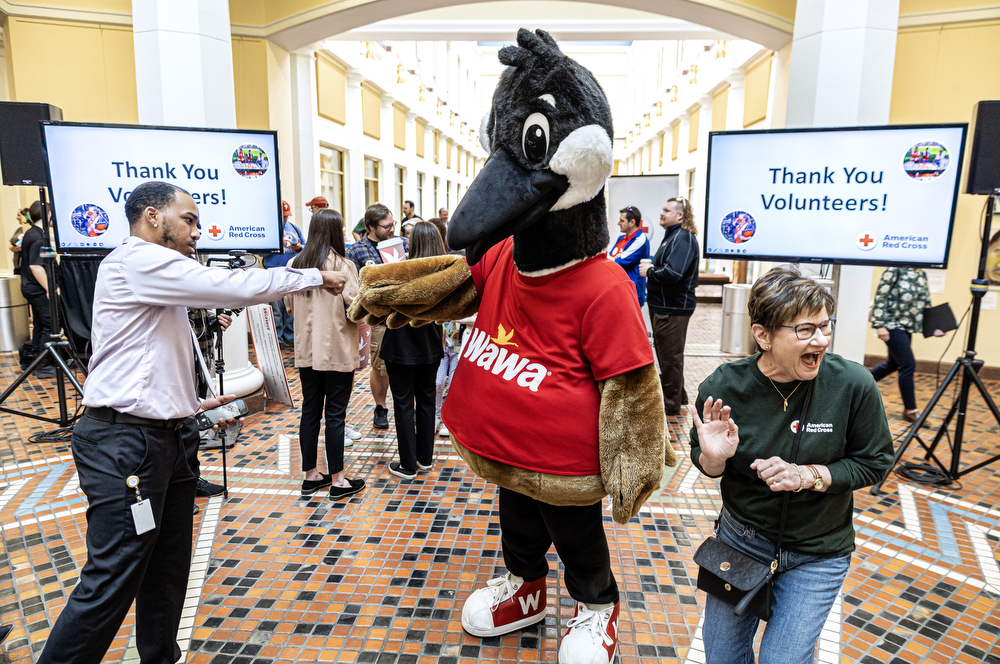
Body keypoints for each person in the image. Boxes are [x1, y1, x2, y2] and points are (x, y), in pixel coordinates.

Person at [36, 181, 345, 664]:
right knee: (113, 575)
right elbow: (235, 287)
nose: (198, 231)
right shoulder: (137, 259)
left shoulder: (157, 272)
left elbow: (153, 356)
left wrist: (195, 403)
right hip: (124, 442)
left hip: (166, 439)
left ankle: (160, 656)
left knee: (168, 563)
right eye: (189, 220)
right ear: (153, 217)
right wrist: (311, 278)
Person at [688, 267, 893, 664]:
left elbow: (875, 462)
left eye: (824, 326)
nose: (820, 339)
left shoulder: (852, 384)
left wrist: (809, 475)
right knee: (722, 659)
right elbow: (709, 465)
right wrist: (712, 460)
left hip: (818, 551)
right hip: (740, 542)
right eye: (804, 330)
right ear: (763, 335)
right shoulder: (724, 387)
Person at [285, 208, 365, 500]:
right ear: (336, 231)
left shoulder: (295, 264)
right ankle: (338, 481)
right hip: (337, 351)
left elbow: (290, 309)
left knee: (310, 411)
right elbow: (356, 312)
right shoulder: (344, 265)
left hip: (306, 350)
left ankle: (310, 476)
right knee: (335, 415)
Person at [380, 221, 445, 478]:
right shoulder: (443, 273)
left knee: (404, 403)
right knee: (427, 401)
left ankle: (407, 465)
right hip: (430, 346)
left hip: (400, 346)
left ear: (413, 242)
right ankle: (425, 458)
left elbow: (382, 306)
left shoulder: (401, 270)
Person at [346, 203, 407, 430]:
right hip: (378, 320)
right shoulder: (356, 251)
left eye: (393, 225)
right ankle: (380, 407)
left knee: (405, 364)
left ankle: (406, 407)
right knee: (381, 366)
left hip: (404, 317)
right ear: (370, 227)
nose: (391, 229)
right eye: (385, 226)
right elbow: (352, 287)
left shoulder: (402, 244)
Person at [639, 197, 699, 415]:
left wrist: (650, 271)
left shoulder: (683, 238)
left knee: (670, 358)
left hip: (672, 309)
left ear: (680, 215)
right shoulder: (673, 237)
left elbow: (674, 273)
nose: (661, 213)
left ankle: (670, 406)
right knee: (668, 355)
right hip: (663, 307)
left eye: (666, 210)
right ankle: (679, 395)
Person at [869, 267, 941, 422]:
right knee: (908, 364)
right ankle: (910, 410)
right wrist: (879, 325)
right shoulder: (894, 270)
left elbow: (926, 303)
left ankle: (858, 382)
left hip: (907, 326)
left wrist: (933, 327)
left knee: (893, 363)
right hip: (892, 324)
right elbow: (881, 297)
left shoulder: (921, 273)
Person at [19, 201, 55, 379]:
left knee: (40, 324)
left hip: (30, 287)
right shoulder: (38, 238)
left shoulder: (31, 233)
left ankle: (35, 359)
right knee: (50, 324)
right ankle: (44, 365)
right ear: (47, 214)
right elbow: (36, 266)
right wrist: (49, 288)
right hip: (38, 289)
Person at [262, 200, 303, 345]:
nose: (285, 219)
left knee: (290, 307)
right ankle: (277, 338)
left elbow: (305, 248)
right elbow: (261, 253)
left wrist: (298, 247)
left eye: (287, 216)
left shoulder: (294, 228)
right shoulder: (269, 229)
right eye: (282, 216)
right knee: (276, 309)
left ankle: (290, 337)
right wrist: (277, 243)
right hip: (273, 272)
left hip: (291, 272)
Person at [610, 205, 650, 306]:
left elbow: (618, 262)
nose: (618, 223)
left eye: (622, 221)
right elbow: (610, 259)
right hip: (618, 290)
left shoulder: (641, 240)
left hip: (632, 294)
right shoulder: (621, 238)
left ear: (632, 222)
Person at [8, 208, 30, 275]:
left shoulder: (30, 231)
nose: (17, 218)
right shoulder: (19, 230)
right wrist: (12, 247)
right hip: (17, 266)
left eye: (18, 215)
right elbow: (11, 243)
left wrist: (21, 248)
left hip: (26, 265)